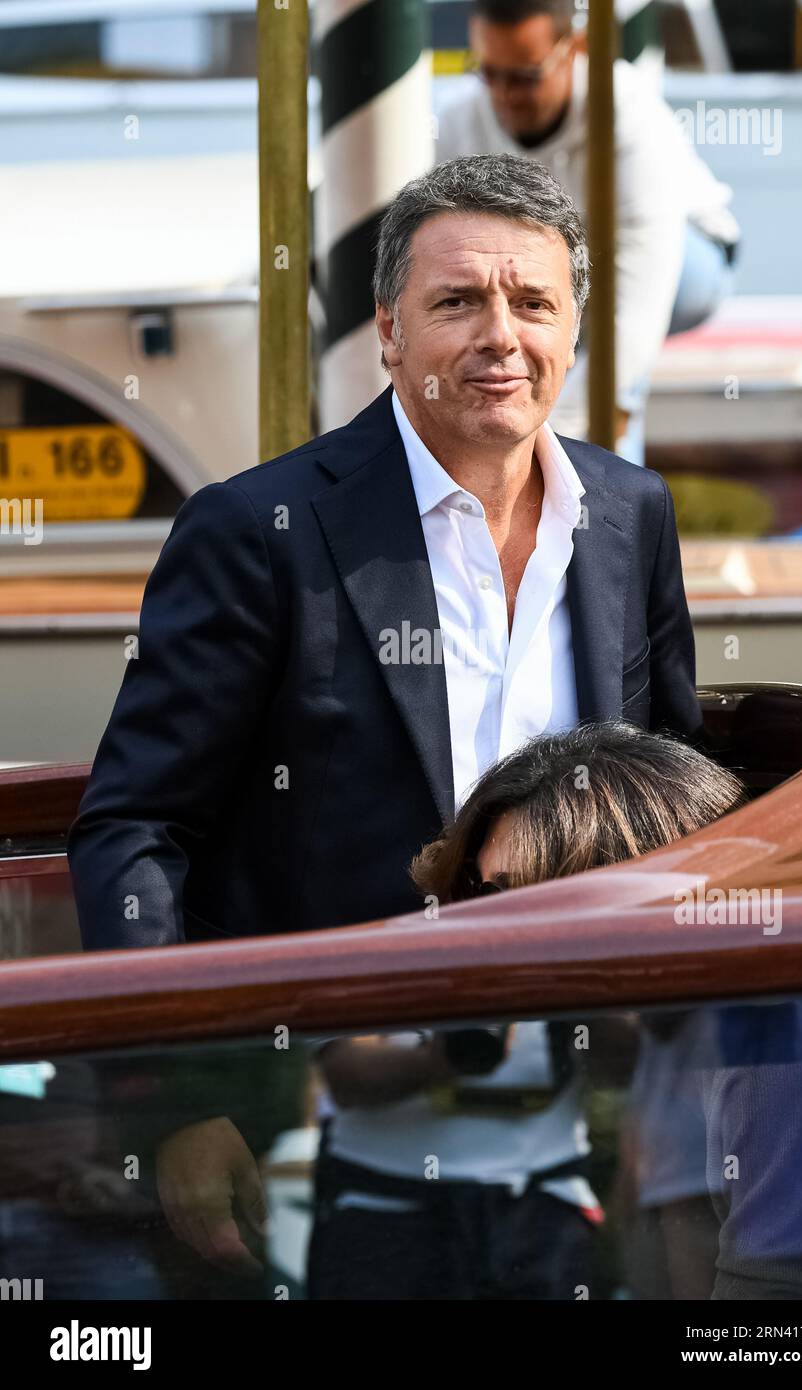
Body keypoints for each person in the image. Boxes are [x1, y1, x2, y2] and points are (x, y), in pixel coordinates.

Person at [67, 152, 702, 1270]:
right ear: (388, 332)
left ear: (572, 329)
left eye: (532, 301)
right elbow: (136, 828)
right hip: (308, 1159)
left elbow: (677, 812)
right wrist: (170, 1098)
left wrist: (673, 1085)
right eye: (456, 300)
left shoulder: (628, 518)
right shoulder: (255, 531)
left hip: (586, 1155)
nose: (499, 334)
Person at [305, 720, 746, 1299]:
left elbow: (627, 1064)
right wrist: (450, 1056)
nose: (504, 923)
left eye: (547, 898)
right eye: (487, 894)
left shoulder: (761, 1033)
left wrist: (574, 992)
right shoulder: (389, 927)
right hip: (389, 1208)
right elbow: (346, 1073)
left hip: (541, 1207)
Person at [435, 0, 740, 465]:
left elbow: (639, 296)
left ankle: (616, 513)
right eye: (489, 73)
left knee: (615, 377)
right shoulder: (458, 121)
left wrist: (555, 434)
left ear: (575, 49)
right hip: (559, 281)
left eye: (524, 77)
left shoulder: (629, 112)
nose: (504, 95)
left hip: (688, 266)